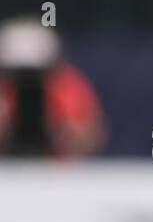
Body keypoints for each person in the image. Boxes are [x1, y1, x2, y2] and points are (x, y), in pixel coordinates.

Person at [0, 17, 107, 159]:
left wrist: (58, 124)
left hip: (57, 173)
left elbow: (90, 139)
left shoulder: (66, 87)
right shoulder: (4, 90)